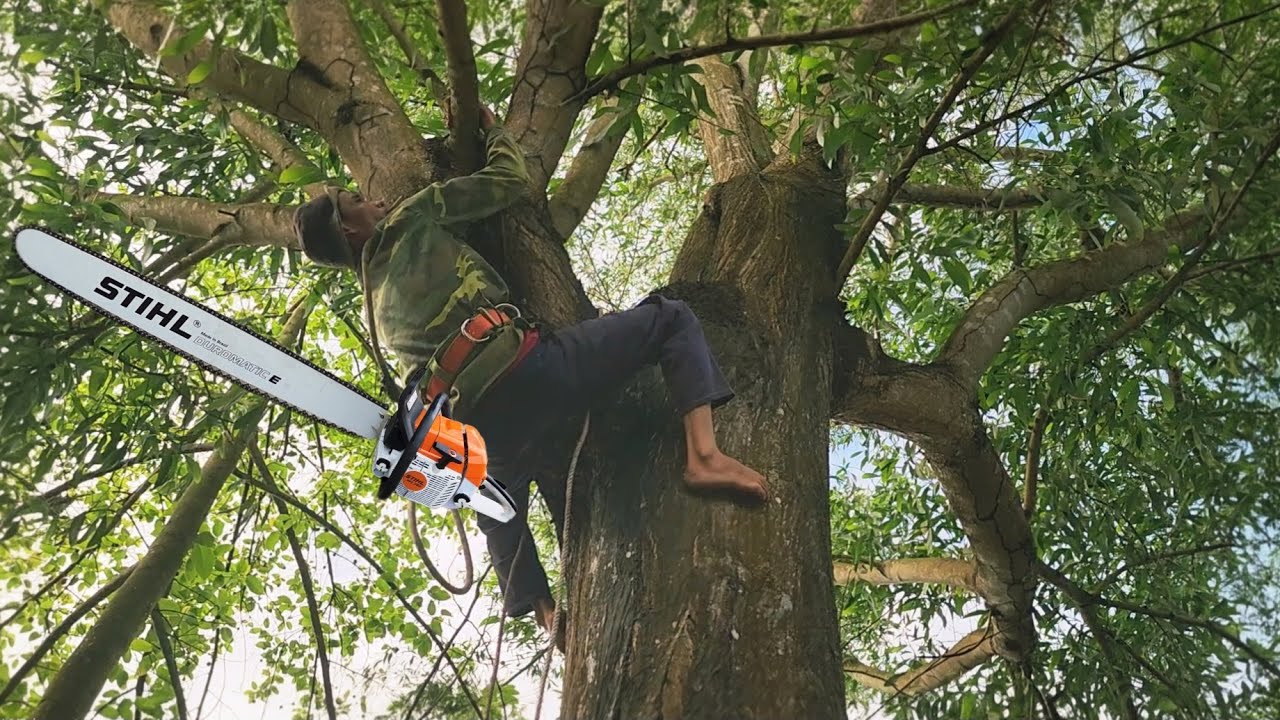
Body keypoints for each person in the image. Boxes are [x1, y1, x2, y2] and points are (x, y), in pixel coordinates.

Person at [292, 106, 769, 650]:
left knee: (494, 497)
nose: (374, 200)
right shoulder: (409, 218)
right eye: (359, 201)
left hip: (475, 423)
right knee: (672, 317)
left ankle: (542, 610)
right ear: (351, 228)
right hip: (528, 370)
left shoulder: (374, 308)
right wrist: (491, 131)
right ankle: (704, 455)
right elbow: (508, 181)